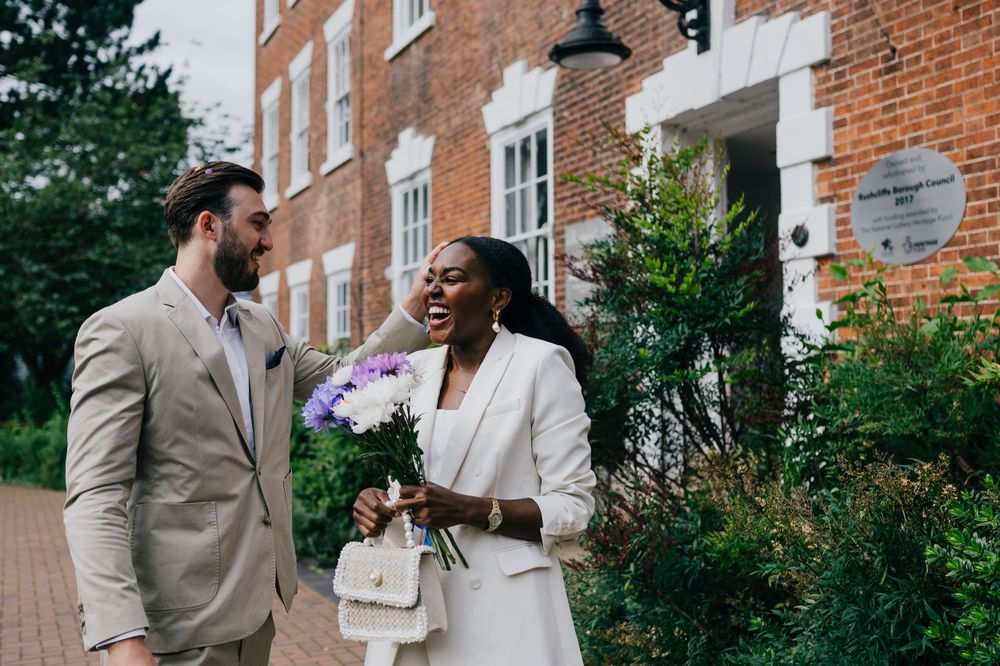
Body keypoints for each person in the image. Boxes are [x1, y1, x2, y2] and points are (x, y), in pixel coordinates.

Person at [64, 161, 444, 666]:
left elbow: (344, 381)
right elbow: (95, 494)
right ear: (209, 225)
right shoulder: (122, 330)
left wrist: (415, 306)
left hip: (256, 612)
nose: (268, 241)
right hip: (174, 626)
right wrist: (122, 637)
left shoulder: (262, 325)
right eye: (258, 224)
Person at [352, 236, 597, 666]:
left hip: (502, 615)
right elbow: (413, 482)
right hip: (413, 610)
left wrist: (470, 509)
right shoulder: (416, 370)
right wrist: (380, 504)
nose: (432, 290)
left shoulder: (539, 364)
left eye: (451, 279)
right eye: (431, 279)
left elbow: (573, 506)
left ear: (497, 298)